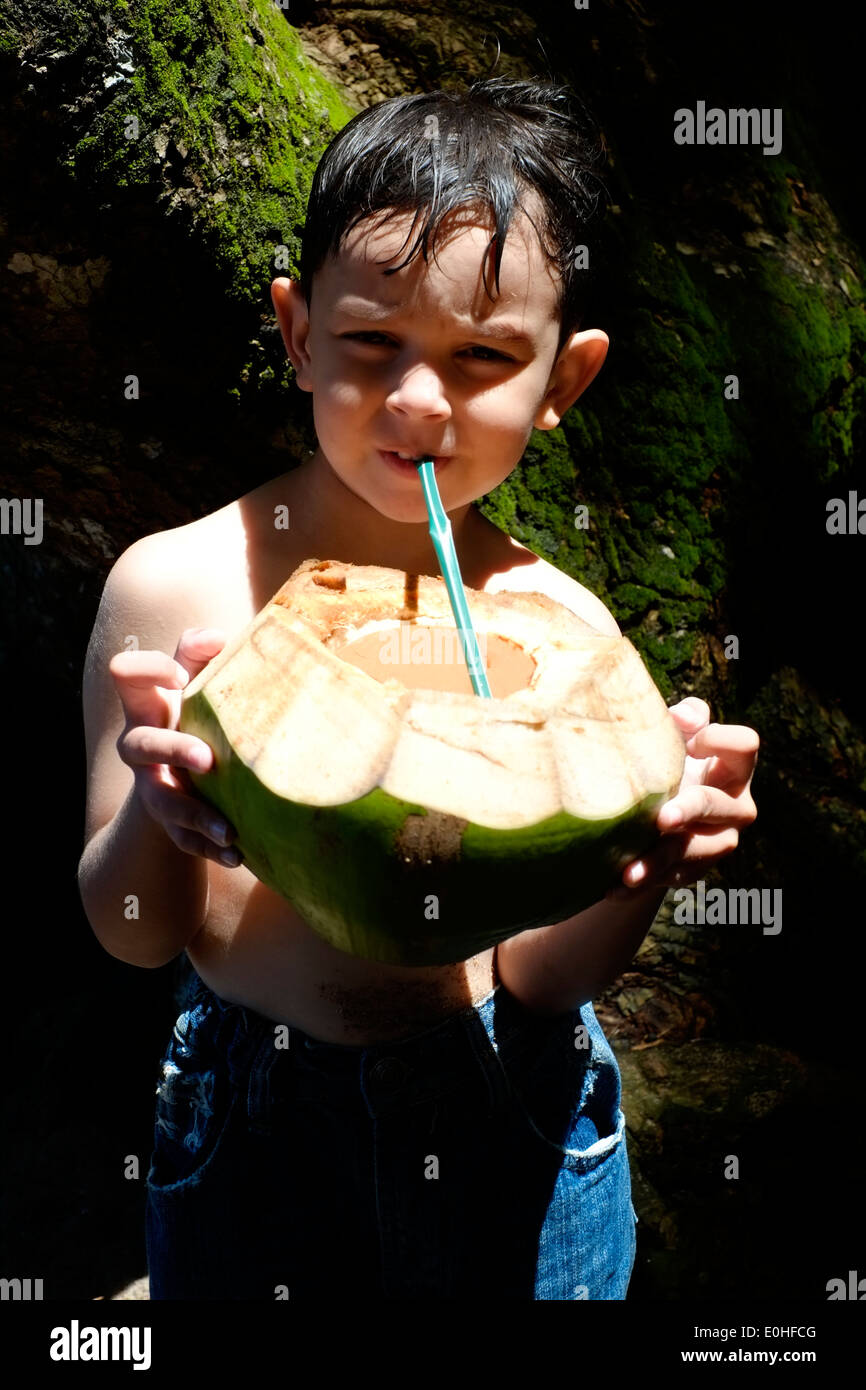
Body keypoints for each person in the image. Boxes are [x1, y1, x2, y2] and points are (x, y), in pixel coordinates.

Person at [77, 77, 759, 1300]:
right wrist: (155, 811)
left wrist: (643, 857)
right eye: (369, 342)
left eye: (484, 356)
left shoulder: (566, 637)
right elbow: (132, 938)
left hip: (508, 1100)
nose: (418, 401)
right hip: (254, 1107)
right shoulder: (176, 591)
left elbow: (541, 979)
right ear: (295, 332)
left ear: (564, 379)